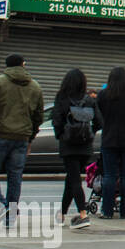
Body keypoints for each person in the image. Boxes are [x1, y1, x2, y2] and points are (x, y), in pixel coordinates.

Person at [0, 53, 44, 228]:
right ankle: (10, 217)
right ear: (23, 64)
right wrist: (31, 136)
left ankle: (0, 204)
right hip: (22, 138)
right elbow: (38, 115)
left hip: (0, 134)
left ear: (7, 66)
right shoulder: (35, 86)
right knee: (15, 176)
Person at [50, 68, 101, 230]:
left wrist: (61, 135)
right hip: (85, 145)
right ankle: (62, 214)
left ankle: (83, 214)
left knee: (74, 180)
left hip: (69, 145)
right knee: (71, 179)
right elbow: (100, 121)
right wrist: (90, 133)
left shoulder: (62, 98)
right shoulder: (89, 100)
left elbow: (56, 120)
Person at [95, 66, 125, 219]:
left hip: (109, 139)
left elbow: (98, 116)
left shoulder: (103, 94)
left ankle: (107, 211)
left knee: (109, 176)